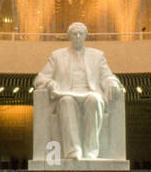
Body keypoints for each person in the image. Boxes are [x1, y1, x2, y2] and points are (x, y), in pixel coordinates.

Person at [34, 22, 124, 160]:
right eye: (74, 34)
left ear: (85, 36)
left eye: (80, 34)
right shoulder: (57, 56)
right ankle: (73, 150)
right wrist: (49, 83)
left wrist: (112, 82)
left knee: (95, 100)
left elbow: (107, 76)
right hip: (66, 94)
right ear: (69, 36)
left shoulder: (97, 56)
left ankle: (91, 151)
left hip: (90, 93)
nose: (77, 36)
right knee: (66, 102)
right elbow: (40, 79)